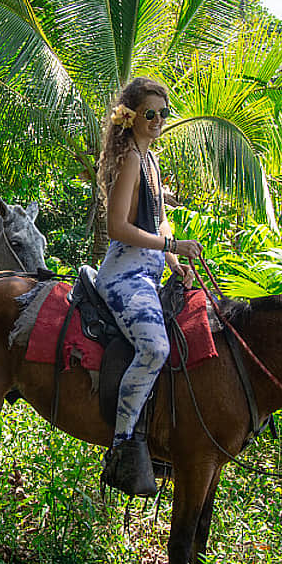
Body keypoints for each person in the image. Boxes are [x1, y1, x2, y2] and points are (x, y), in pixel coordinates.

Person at [95, 77, 203, 497]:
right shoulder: (131, 162)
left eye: (163, 113)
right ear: (131, 116)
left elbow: (157, 219)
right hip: (124, 275)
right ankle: (122, 445)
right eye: (149, 113)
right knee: (155, 348)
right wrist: (171, 245)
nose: (158, 120)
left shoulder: (150, 160)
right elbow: (117, 227)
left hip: (151, 270)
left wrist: (174, 261)